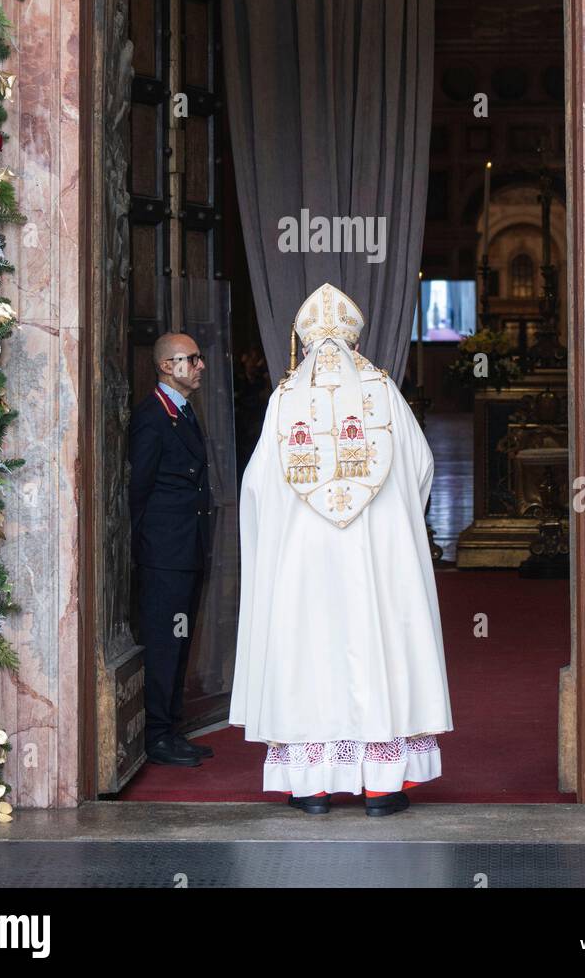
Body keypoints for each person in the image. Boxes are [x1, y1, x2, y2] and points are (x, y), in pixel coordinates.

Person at [229, 283, 452, 816]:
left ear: (305, 346)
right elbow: (421, 469)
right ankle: (381, 786)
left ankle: (312, 788)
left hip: (304, 563)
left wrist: (275, 541)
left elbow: (256, 488)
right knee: (380, 653)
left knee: (309, 657)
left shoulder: (284, 397)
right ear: (355, 344)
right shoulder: (385, 391)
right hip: (379, 558)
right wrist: (395, 521)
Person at [129, 332, 214, 767]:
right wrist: (150, 550)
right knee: (166, 644)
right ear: (167, 366)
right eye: (191, 359)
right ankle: (158, 735)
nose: (199, 365)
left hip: (186, 550)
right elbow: (139, 491)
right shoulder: (153, 417)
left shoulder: (181, 412)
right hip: (166, 556)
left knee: (179, 644)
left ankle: (172, 728)